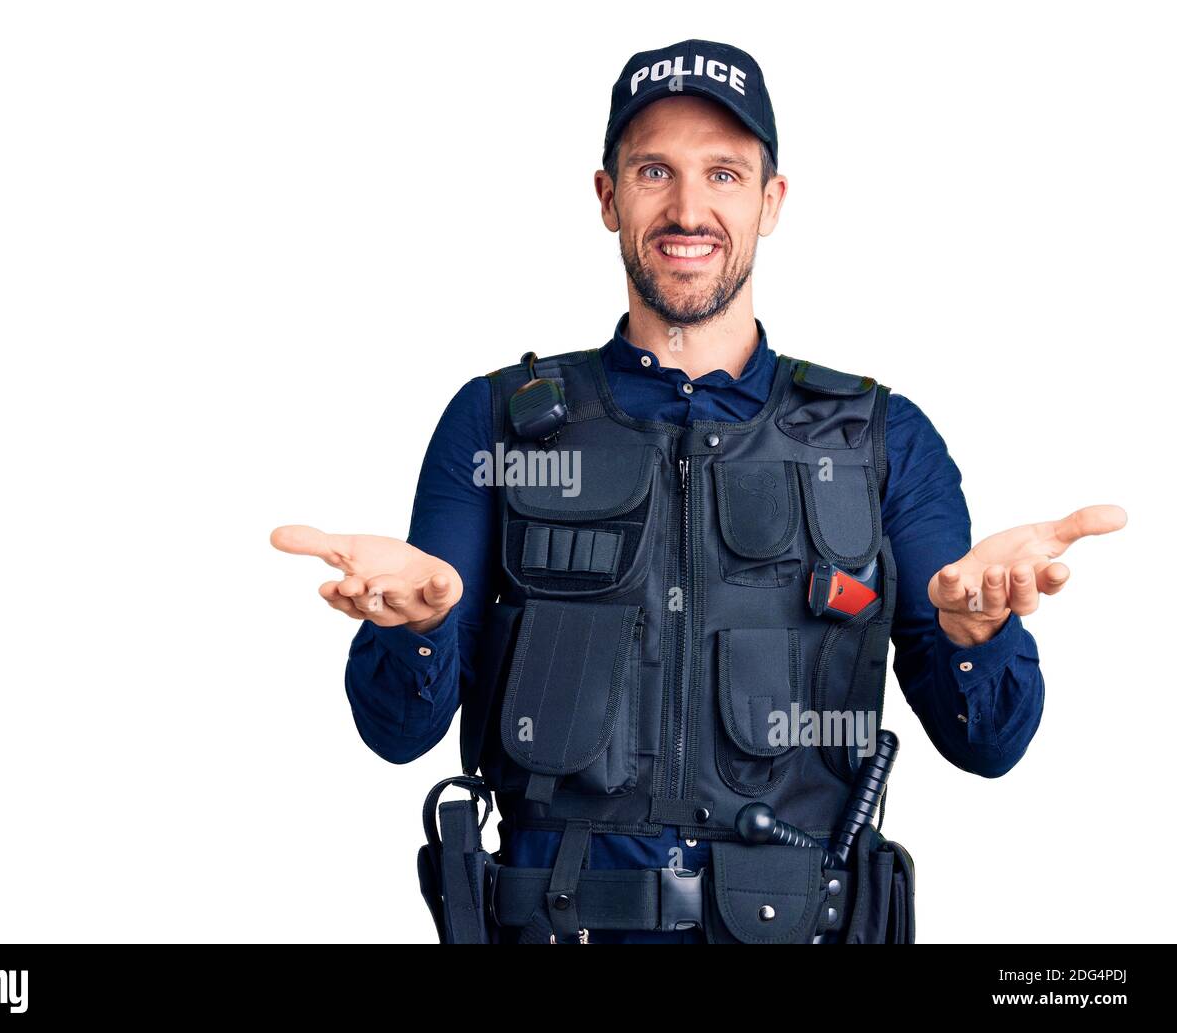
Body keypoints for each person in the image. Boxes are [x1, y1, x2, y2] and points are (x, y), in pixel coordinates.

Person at [271, 39, 1126, 943]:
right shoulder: (496, 427)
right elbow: (397, 733)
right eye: (654, 170)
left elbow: (987, 745)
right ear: (607, 196)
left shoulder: (882, 438)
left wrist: (977, 631)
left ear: (772, 200)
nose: (689, 208)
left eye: (724, 173)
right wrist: (416, 627)